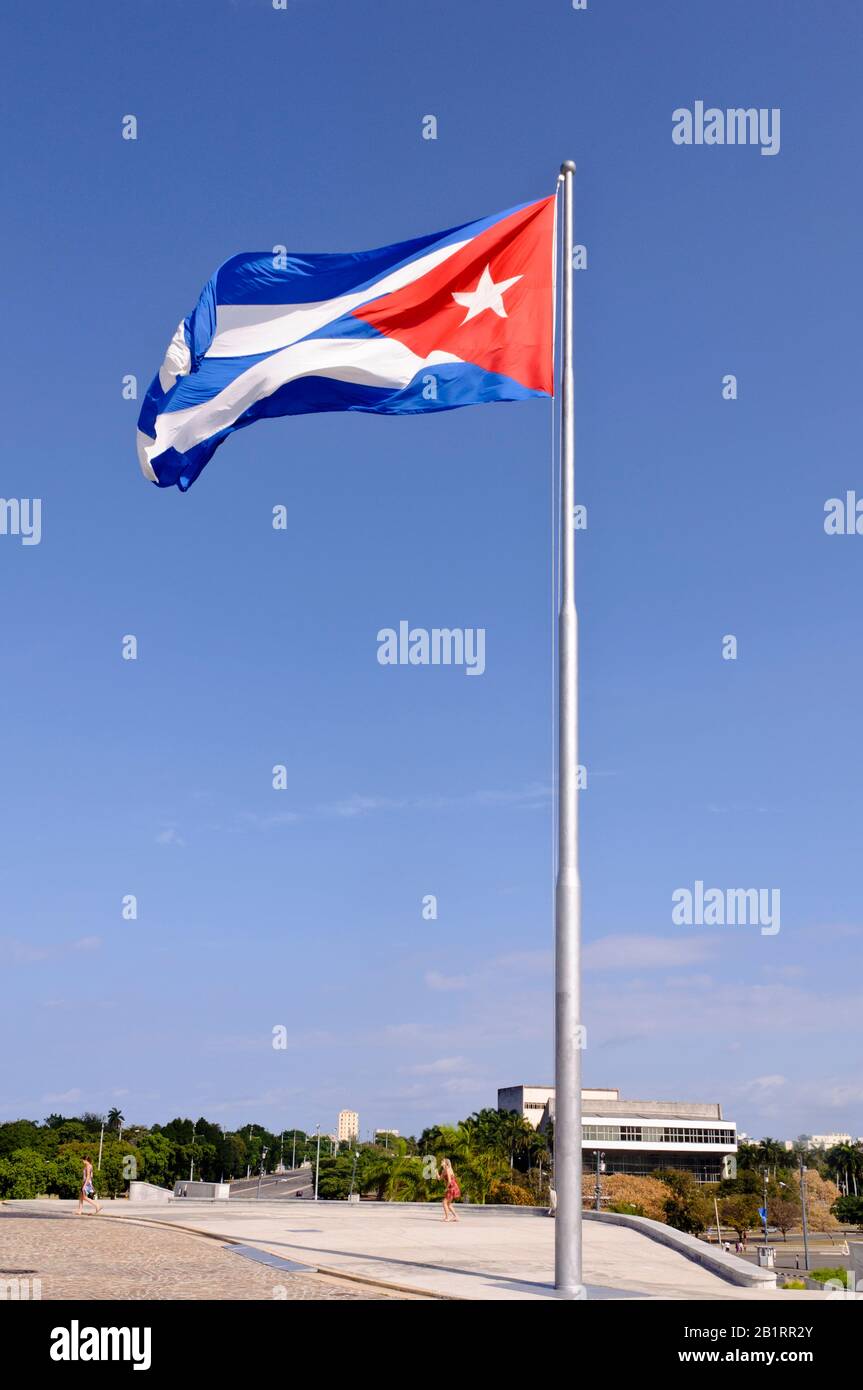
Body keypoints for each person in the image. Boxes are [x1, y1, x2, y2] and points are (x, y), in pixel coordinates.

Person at [439, 1157, 460, 1222]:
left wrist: (446, 1188)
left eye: (442, 1161)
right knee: (448, 1204)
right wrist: (436, 1172)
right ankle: (456, 1216)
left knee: (444, 1202)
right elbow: (439, 1178)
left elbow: (450, 1181)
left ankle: (447, 1217)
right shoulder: (443, 1170)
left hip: (452, 1187)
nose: (441, 1162)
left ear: (446, 1163)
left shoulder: (448, 1169)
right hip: (450, 1187)